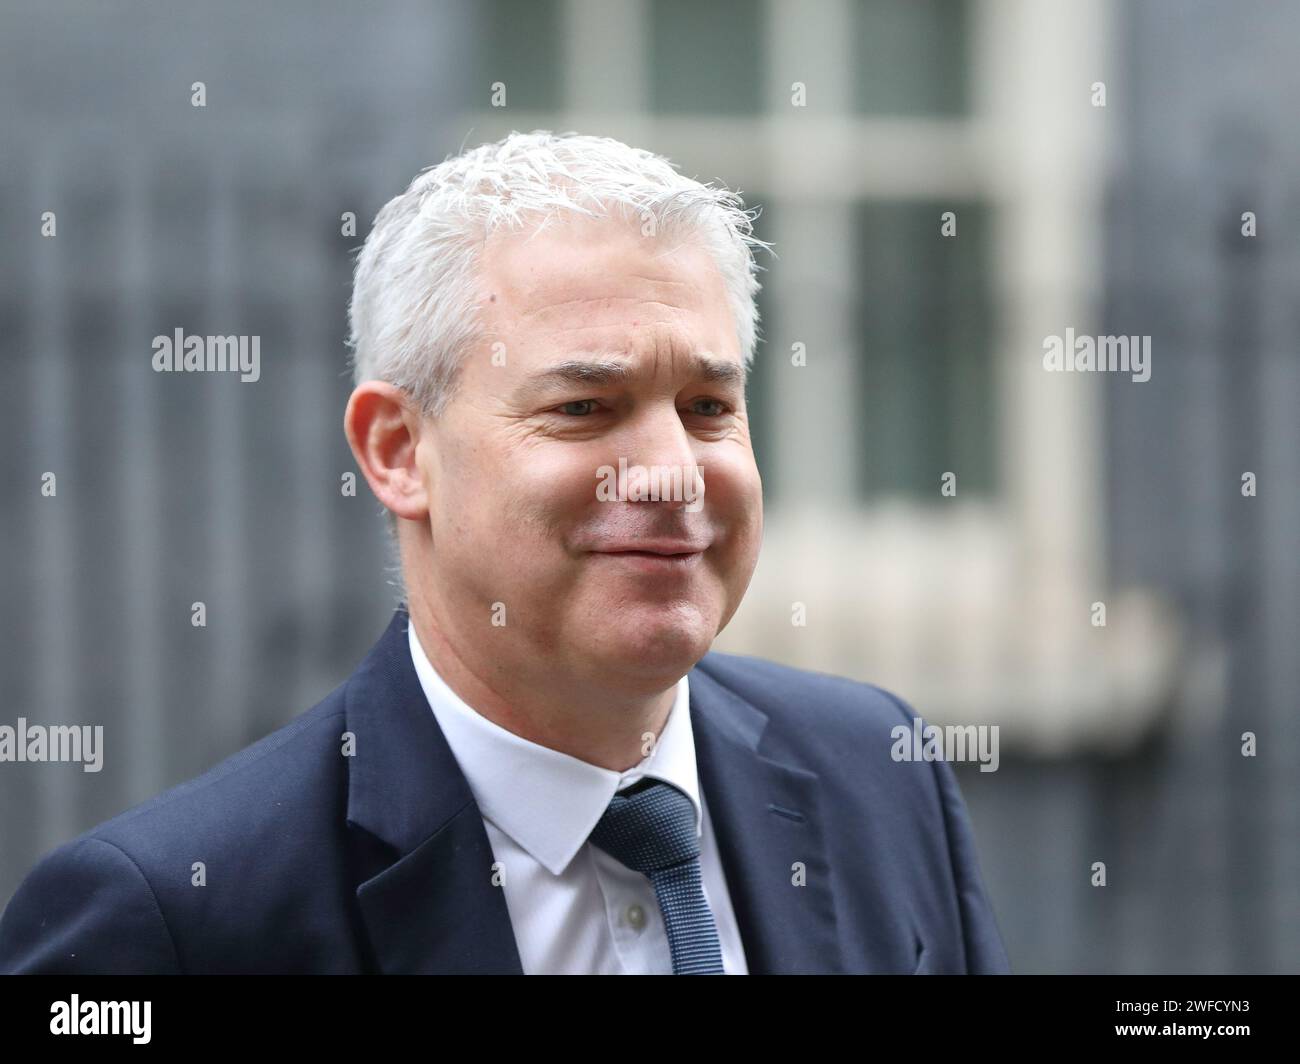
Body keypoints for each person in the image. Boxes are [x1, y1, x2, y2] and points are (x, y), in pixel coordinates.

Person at [0, 131, 1010, 974]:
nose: (669, 472)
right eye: (584, 408)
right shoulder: (170, 920)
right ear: (400, 452)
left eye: (707, 407)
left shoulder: (880, 773)